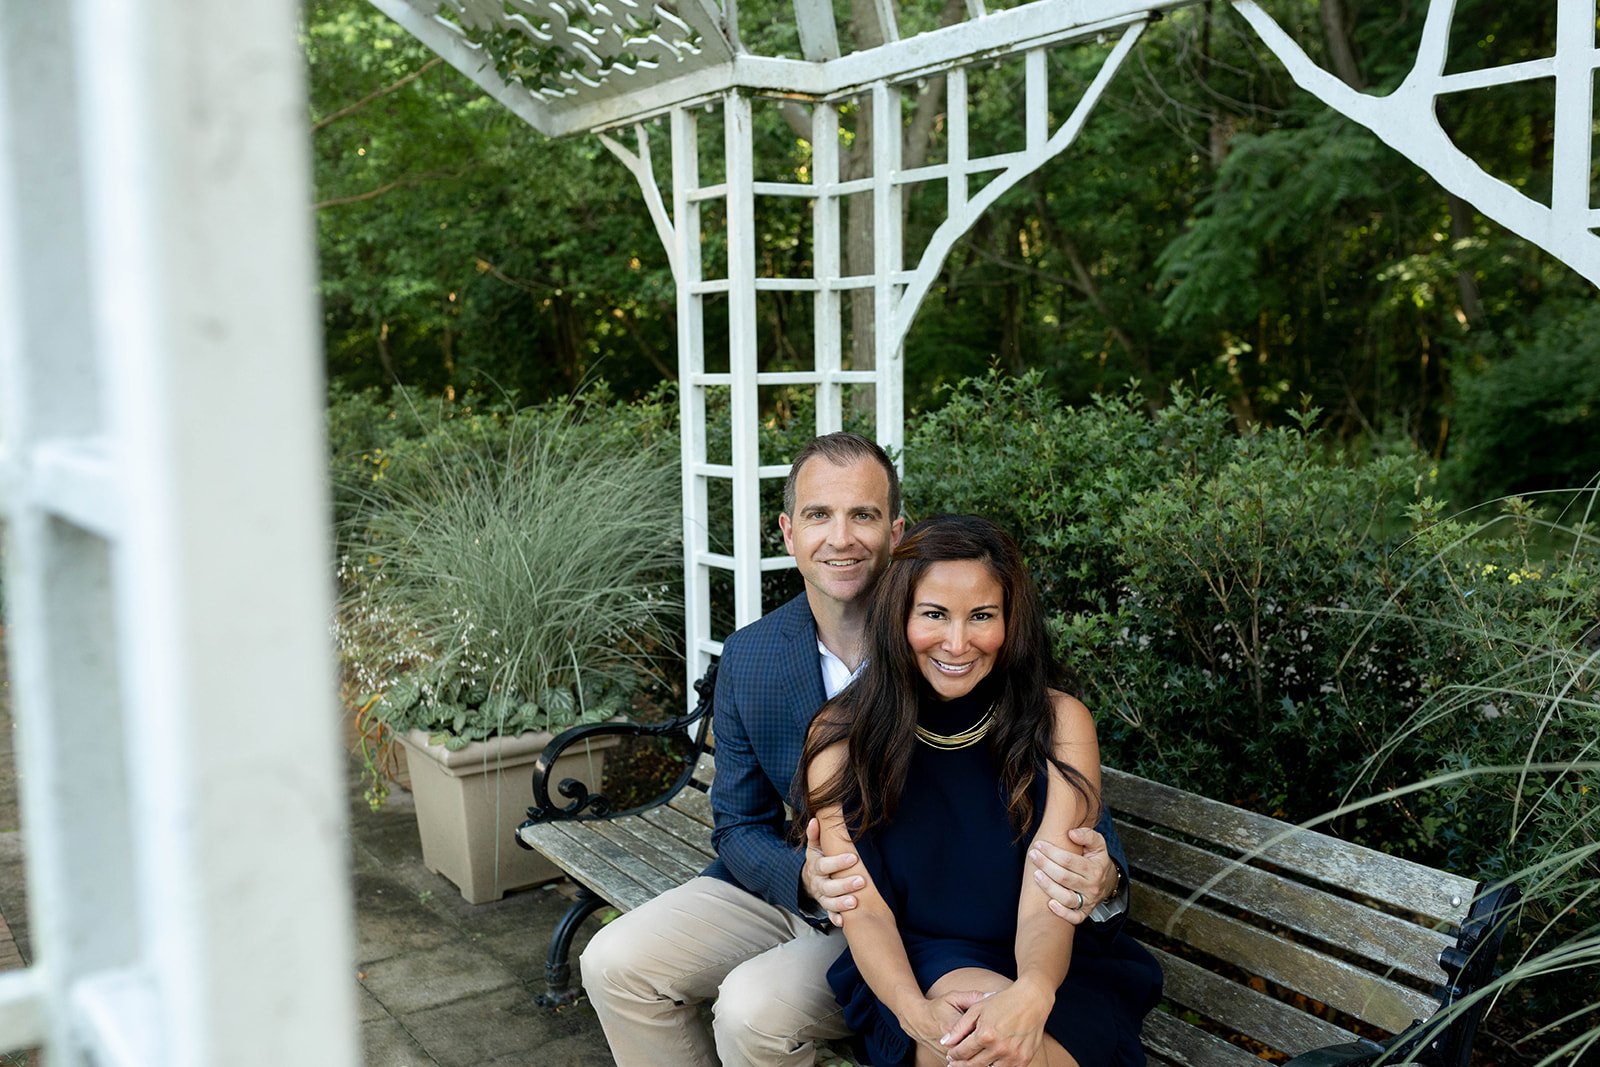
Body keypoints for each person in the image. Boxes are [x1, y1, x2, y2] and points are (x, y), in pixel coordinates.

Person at [581, 434, 1129, 1067]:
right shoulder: (753, 657)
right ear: (788, 532)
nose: (840, 537)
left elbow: (1064, 824)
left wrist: (1105, 876)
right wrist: (808, 881)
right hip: (809, 888)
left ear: (896, 531)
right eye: (819, 514)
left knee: (751, 1010)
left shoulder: (954, 636)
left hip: (924, 914)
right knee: (612, 962)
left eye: (863, 515)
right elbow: (737, 825)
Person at [800, 515, 1161, 1067]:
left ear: (1010, 621)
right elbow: (861, 908)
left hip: (1055, 956)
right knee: (979, 1054)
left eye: (982, 616)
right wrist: (910, 1010)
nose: (958, 642)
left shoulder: (1059, 722)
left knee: (1006, 1051)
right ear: (899, 615)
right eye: (934, 615)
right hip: (917, 959)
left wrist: (1034, 993)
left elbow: (1054, 891)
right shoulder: (840, 736)